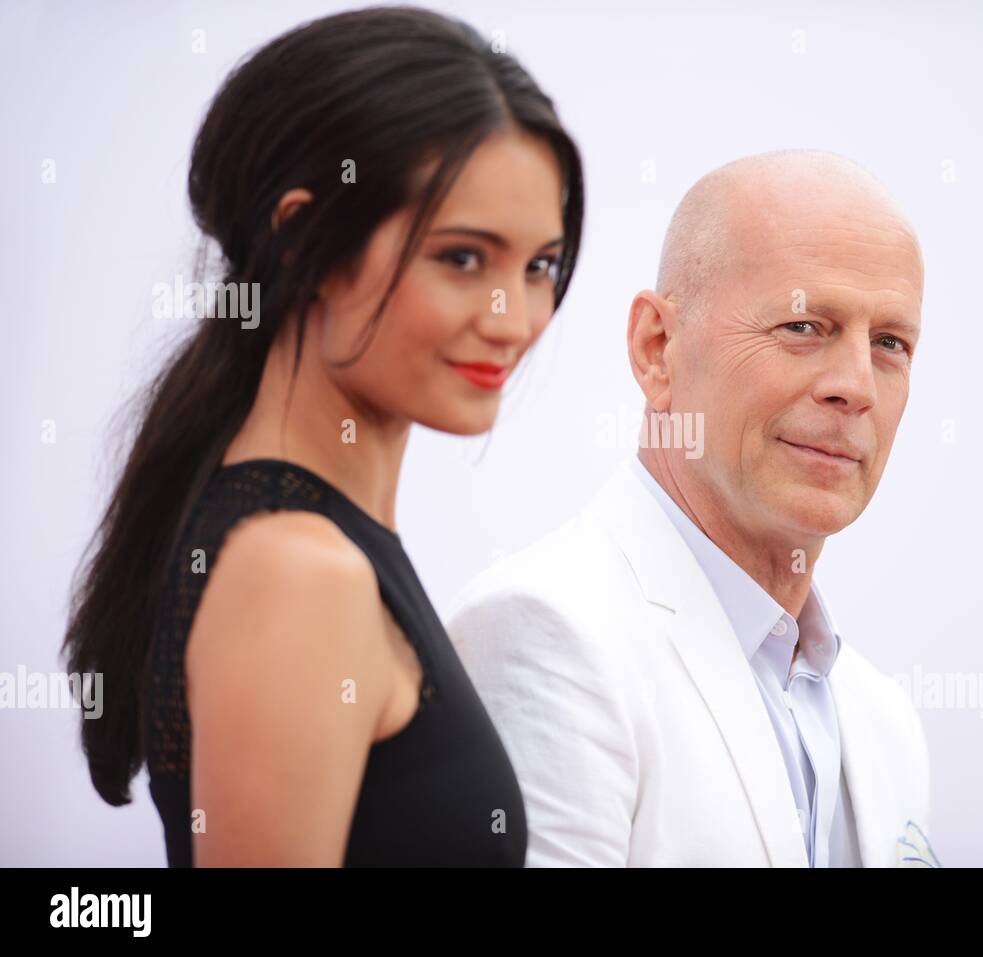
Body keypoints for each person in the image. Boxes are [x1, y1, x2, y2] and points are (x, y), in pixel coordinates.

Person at [62, 6, 584, 866]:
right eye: (462, 258)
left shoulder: (313, 543)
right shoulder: (300, 574)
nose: (514, 317)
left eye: (539, 266)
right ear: (303, 236)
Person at [447, 150, 935, 867]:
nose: (855, 385)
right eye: (804, 326)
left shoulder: (886, 720)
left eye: (890, 343)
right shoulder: (546, 634)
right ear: (657, 348)